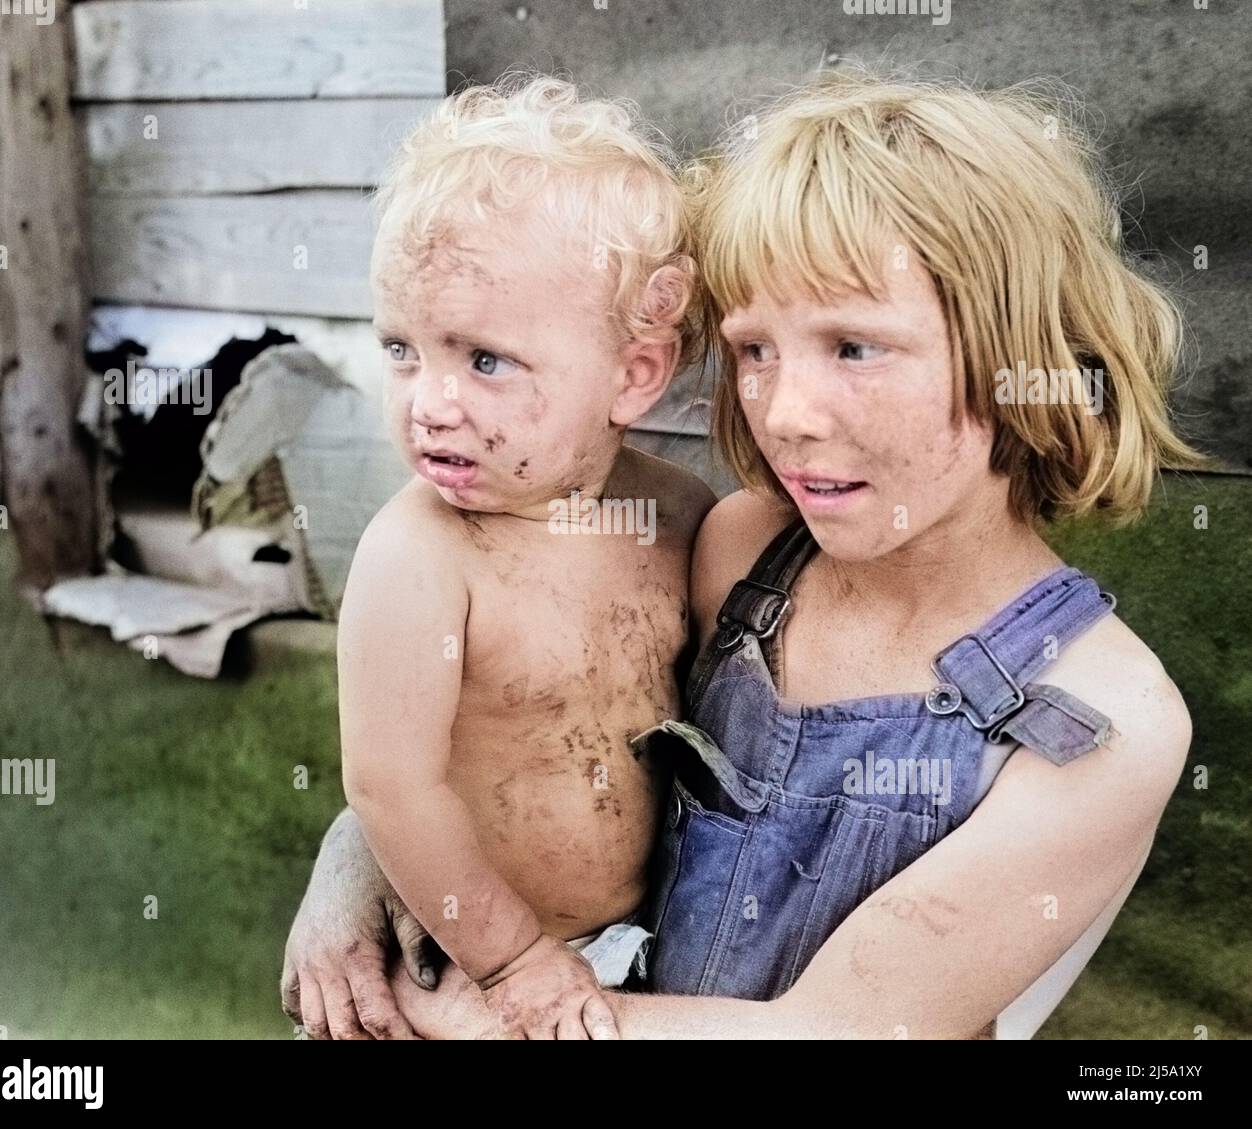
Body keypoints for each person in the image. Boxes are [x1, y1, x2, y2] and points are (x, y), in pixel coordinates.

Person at [285, 67, 1200, 1039]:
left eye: (854, 346)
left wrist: (486, 1022)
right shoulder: (740, 554)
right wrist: (361, 853)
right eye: (755, 350)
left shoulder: (1106, 720)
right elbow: (522, 733)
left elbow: (844, 1030)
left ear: (1024, 354)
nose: (786, 417)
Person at [293, 74, 716, 1040]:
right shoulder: (420, 556)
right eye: (402, 349)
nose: (430, 402)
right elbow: (391, 787)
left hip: (644, 948)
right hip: (471, 963)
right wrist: (516, 961)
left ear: (632, 373)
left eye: (483, 359)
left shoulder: (681, 516)